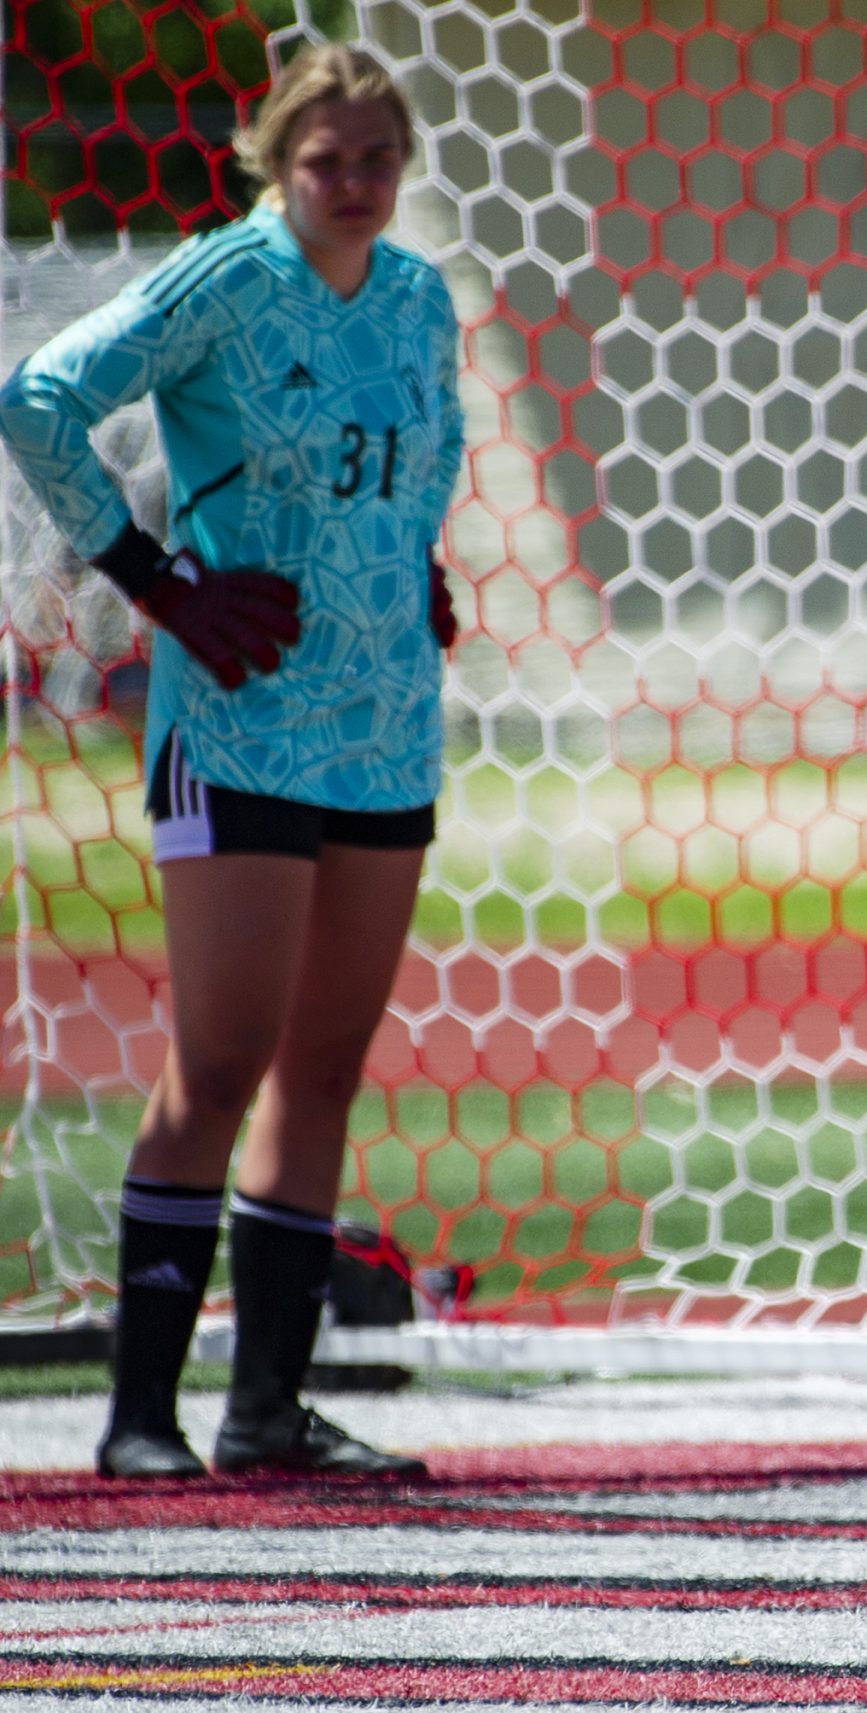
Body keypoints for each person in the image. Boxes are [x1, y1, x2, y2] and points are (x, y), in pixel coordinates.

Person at [0, 43, 462, 1479]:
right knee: (219, 1063)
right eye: (326, 160)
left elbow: (416, 466)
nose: (355, 184)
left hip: (385, 727)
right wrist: (158, 581)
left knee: (323, 1062)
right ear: (275, 160)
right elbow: (36, 397)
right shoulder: (225, 280)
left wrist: (418, 568)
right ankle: (141, 1416)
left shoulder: (419, 294)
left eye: (378, 157)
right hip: (241, 720)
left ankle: (268, 1407)